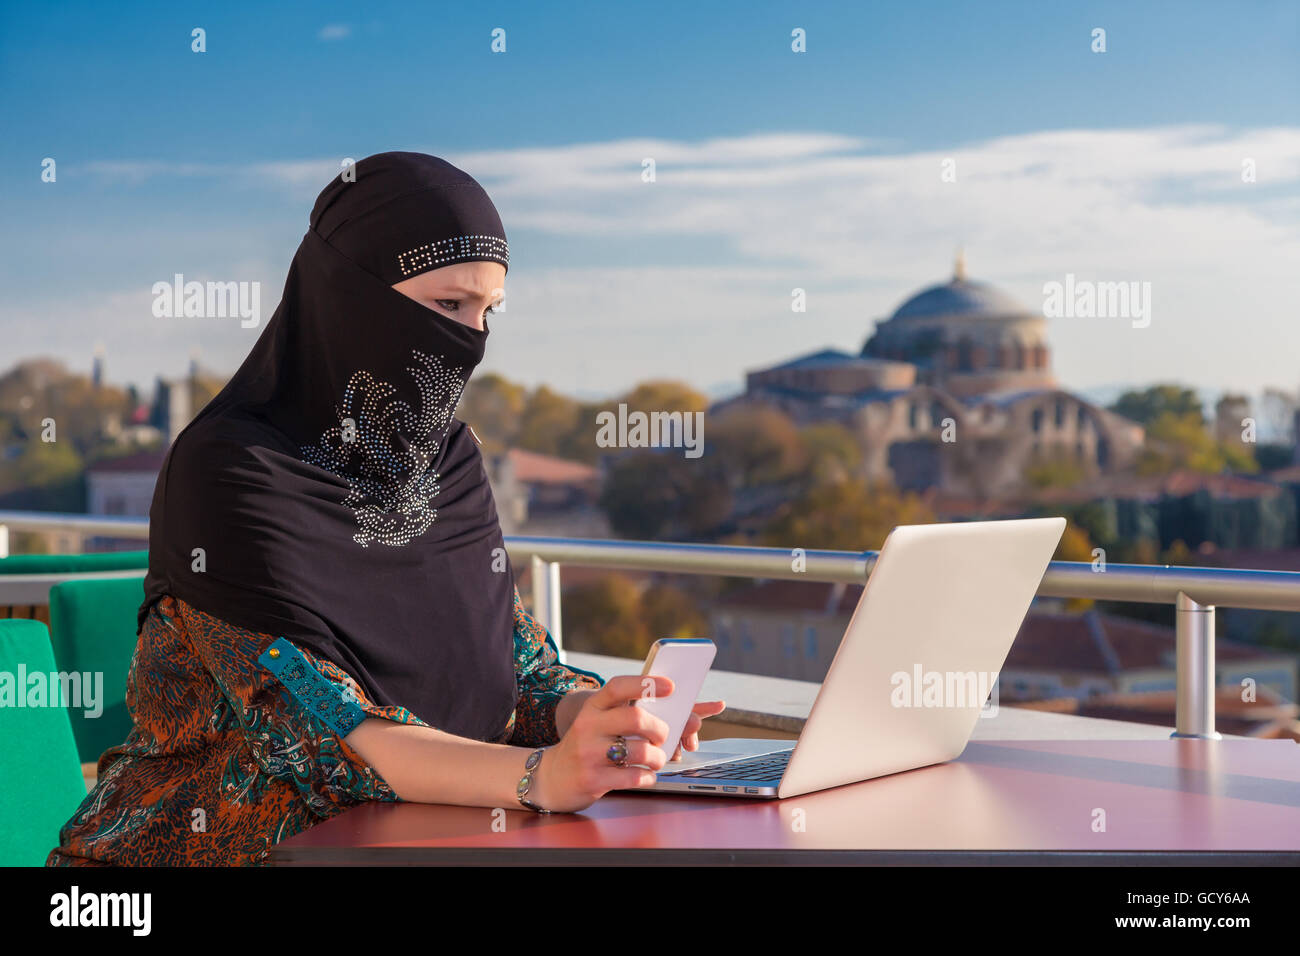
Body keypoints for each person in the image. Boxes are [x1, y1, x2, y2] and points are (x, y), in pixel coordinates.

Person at [47, 152, 725, 866]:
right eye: (448, 306)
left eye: (488, 311)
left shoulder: (451, 461)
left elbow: (517, 671)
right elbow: (329, 731)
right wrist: (542, 777)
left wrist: (598, 720)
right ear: (349, 292)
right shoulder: (228, 471)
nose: (473, 339)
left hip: (430, 847)